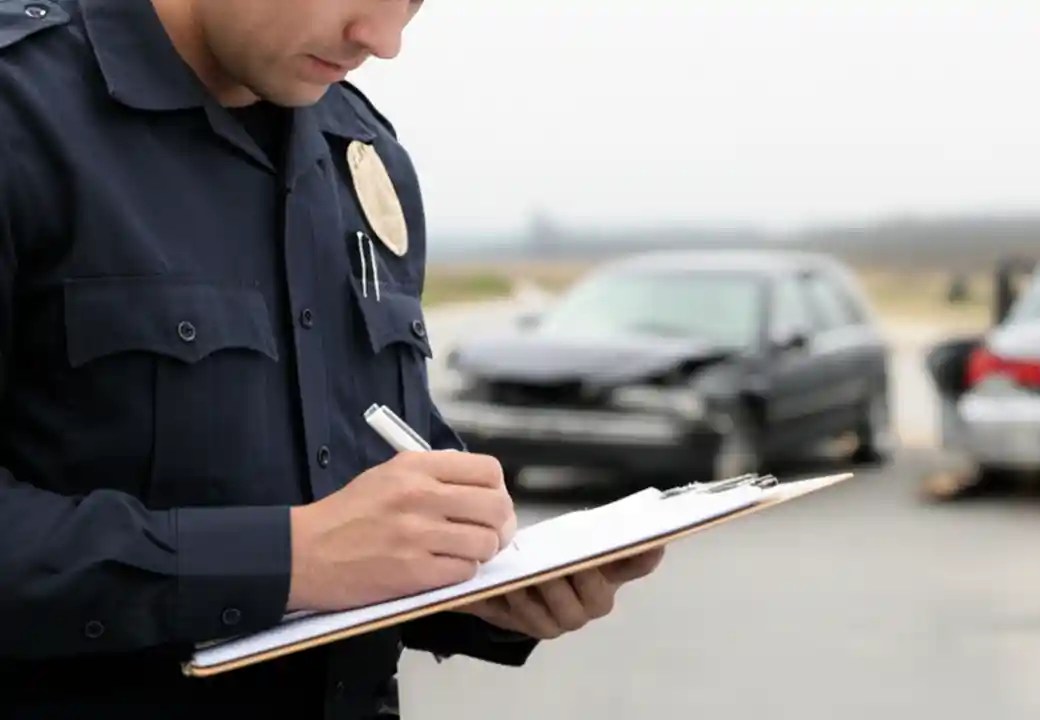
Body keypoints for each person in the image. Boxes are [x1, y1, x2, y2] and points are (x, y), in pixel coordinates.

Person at [0, 0, 665, 717]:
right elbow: (318, 553)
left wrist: (471, 582)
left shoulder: (363, 154)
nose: (384, 39)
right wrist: (289, 561)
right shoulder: (21, 113)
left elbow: (359, 482)